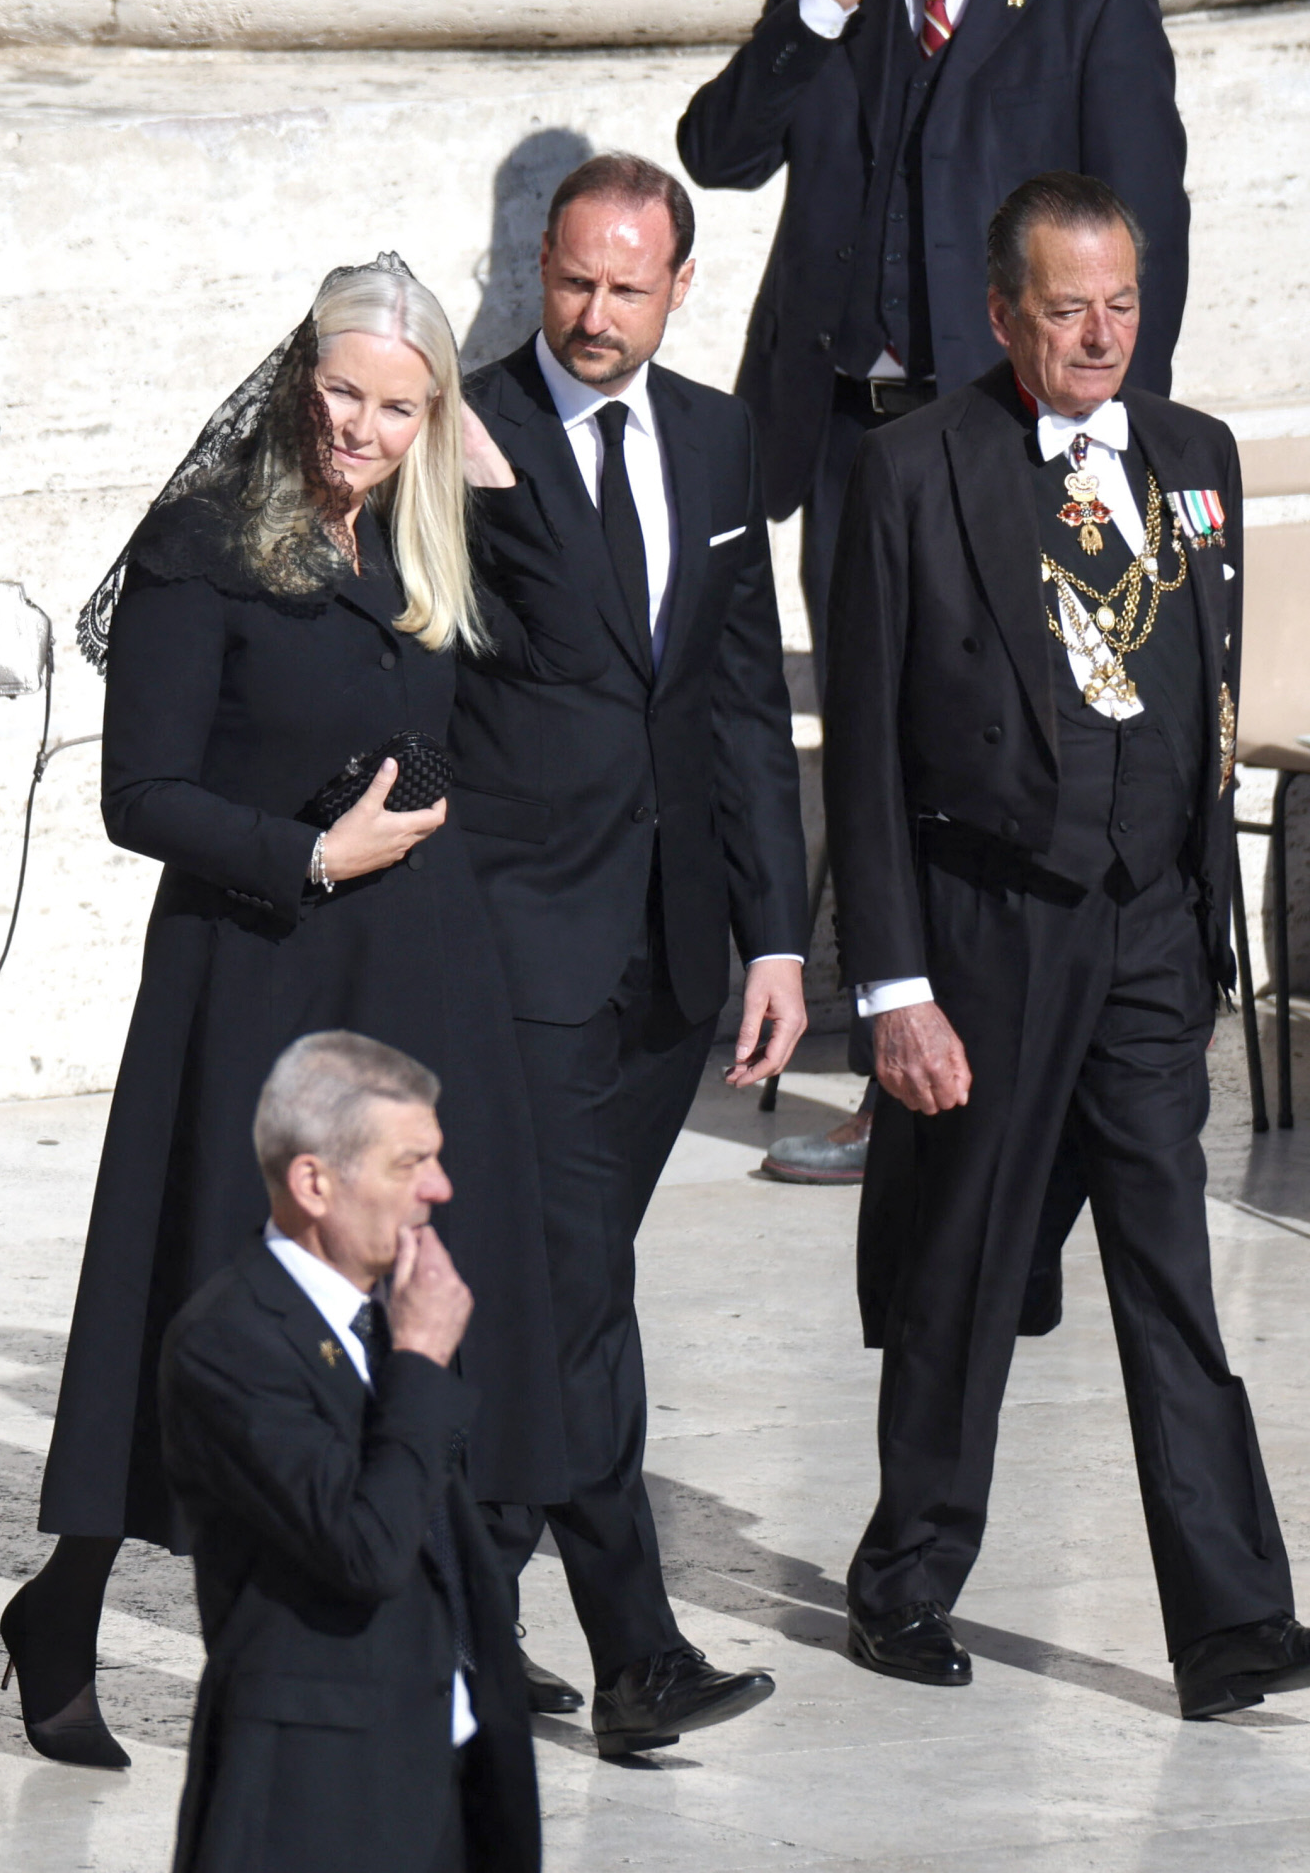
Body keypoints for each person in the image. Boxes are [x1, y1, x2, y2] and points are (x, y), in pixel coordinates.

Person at [0, 254, 585, 1767]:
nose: (363, 430)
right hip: (256, 971)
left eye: (401, 406)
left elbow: (581, 649)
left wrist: (494, 471)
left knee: (420, 1305)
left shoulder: (426, 531)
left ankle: (413, 1633)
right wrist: (310, 855)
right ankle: (69, 1605)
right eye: (343, 391)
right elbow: (141, 795)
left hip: (420, 976)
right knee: (215, 1306)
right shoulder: (208, 544)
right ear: (294, 375)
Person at [822, 171, 1310, 1716]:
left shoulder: (1191, 457)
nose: (1098, 333)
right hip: (988, 929)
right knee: (967, 1264)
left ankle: (1228, 1627)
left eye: (1121, 302)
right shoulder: (913, 470)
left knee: (1170, 1274)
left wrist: (1201, 915)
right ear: (1001, 311)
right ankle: (903, 1582)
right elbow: (863, 746)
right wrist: (895, 989)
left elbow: (1199, 690)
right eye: (1064, 306)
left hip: (1146, 931)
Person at [678, 0, 1190, 1185]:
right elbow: (721, 151)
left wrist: (1100, 452)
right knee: (876, 751)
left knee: (999, 749)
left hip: (1011, 443)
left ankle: (1040, 1067)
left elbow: (1146, 236)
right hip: (852, 436)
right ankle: (889, 1083)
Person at [454, 152, 809, 1759]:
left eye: (628, 287)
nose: (596, 315)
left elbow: (737, 703)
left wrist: (780, 937)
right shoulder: (458, 434)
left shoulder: (724, 435)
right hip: (515, 938)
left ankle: (460, 1615)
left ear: (681, 288)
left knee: (539, 1291)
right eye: (573, 281)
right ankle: (637, 1650)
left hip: (673, 955)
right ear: (538, 268)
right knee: (580, 1289)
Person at [161, 1031, 539, 1873]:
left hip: (444, 1773)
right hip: (320, 1802)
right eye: (410, 1165)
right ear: (314, 1183)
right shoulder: (231, 1343)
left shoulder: (394, 1314)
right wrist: (419, 1368)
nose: (439, 1189)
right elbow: (364, 1549)